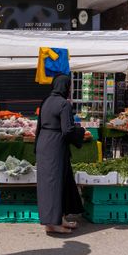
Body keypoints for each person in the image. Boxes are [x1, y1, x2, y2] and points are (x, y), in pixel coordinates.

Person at [35, 74, 85, 234]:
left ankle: (59, 218)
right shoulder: (64, 104)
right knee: (54, 184)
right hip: (55, 145)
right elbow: (68, 130)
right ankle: (52, 224)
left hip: (44, 143)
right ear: (66, 87)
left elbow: (39, 126)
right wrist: (81, 132)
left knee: (56, 182)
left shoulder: (46, 101)